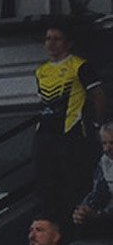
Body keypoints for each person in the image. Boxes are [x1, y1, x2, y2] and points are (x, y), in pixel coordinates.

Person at [33, 24, 102, 216]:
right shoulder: (41, 70)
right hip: (44, 132)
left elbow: (98, 94)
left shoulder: (79, 65)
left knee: (73, 181)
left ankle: (77, 220)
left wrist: (98, 124)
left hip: (70, 131)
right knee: (45, 182)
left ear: (68, 43)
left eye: (57, 39)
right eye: (48, 38)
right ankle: (50, 221)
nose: (51, 43)